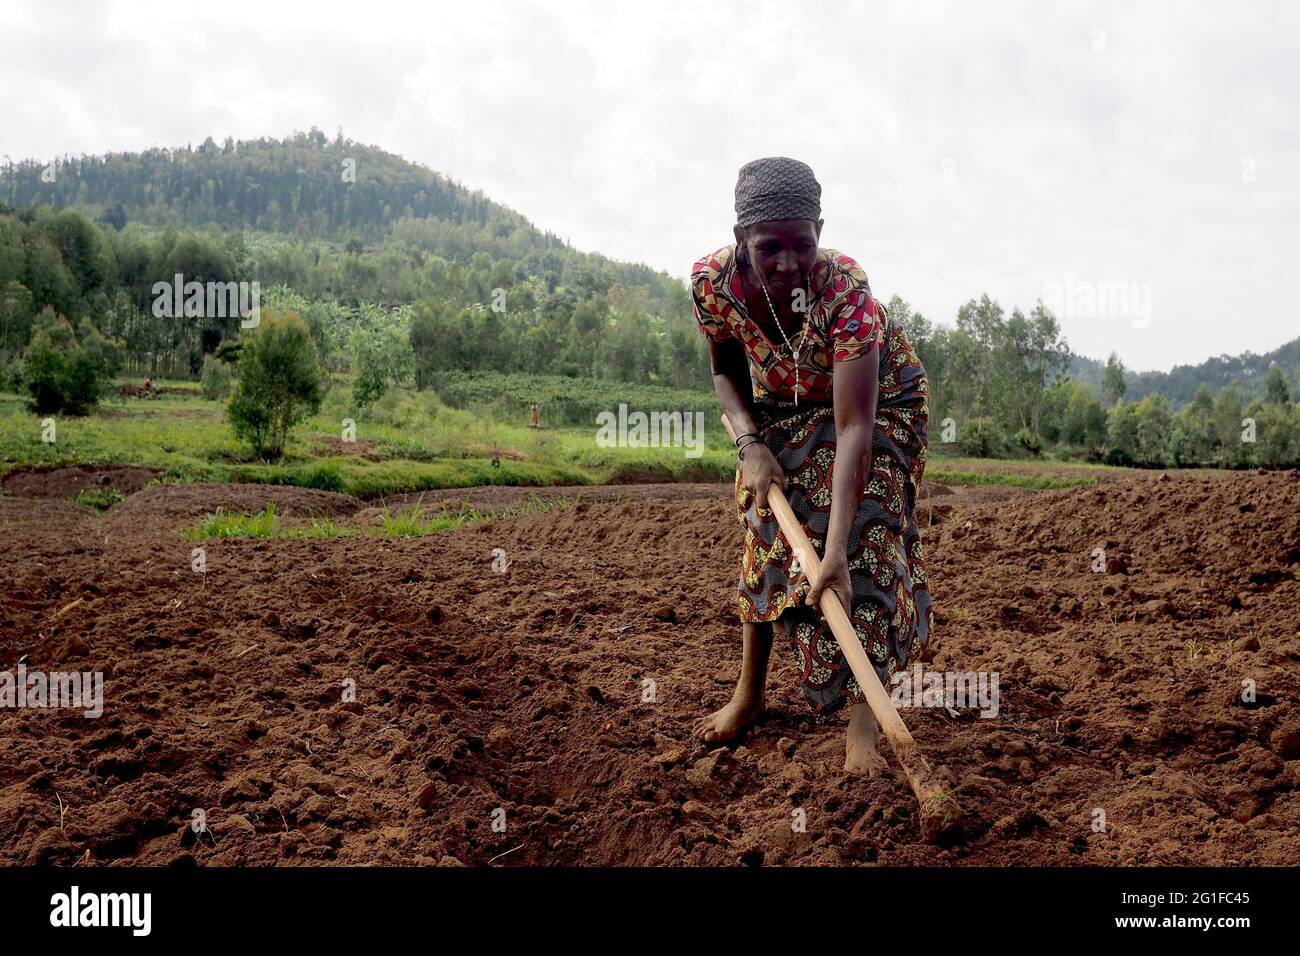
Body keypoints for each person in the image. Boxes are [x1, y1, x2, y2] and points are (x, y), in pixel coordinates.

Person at [690, 157, 933, 776]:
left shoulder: (846, 289)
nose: (789, 262)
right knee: (766, 524)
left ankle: (864, 726)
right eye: (770, 246)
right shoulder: (712, 284)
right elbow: (725, 372)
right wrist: (752, 446)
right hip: (779, 401)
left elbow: (854, 427)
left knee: (865, 533)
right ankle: (749, 695)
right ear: (741, 239)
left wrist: (836, 546)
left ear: (821, 230)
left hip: (880, 405)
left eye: (805, 243)